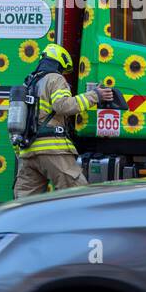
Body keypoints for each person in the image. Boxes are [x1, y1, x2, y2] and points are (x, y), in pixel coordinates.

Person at [14, 43, 113, 198]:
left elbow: (16, 122)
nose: (63, 74)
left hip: (27, 153)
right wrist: (95, 96)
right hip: (53, 151)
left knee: (24, 206)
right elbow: (62, 106)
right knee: (77, 197)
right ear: (60, 62)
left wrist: (21, 153)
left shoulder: (28, 83)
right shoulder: (55, 79)